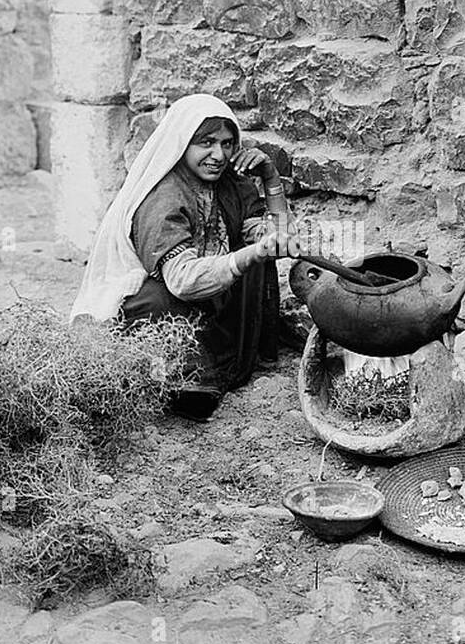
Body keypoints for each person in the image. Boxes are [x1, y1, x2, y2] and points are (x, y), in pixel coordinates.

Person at [69, 92, 296, 420]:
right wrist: (247, 255)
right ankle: (179, 377)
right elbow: (183, 281)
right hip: (170, 304)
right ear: (182, 143)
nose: (218, 155)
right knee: (160, 301)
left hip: (211, 301)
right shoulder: (162, 199)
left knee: (259, 264)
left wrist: (271, 178)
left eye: (227, 143)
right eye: (206, 142)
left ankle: (214, 361)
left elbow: (282, 241)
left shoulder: (230, 184)